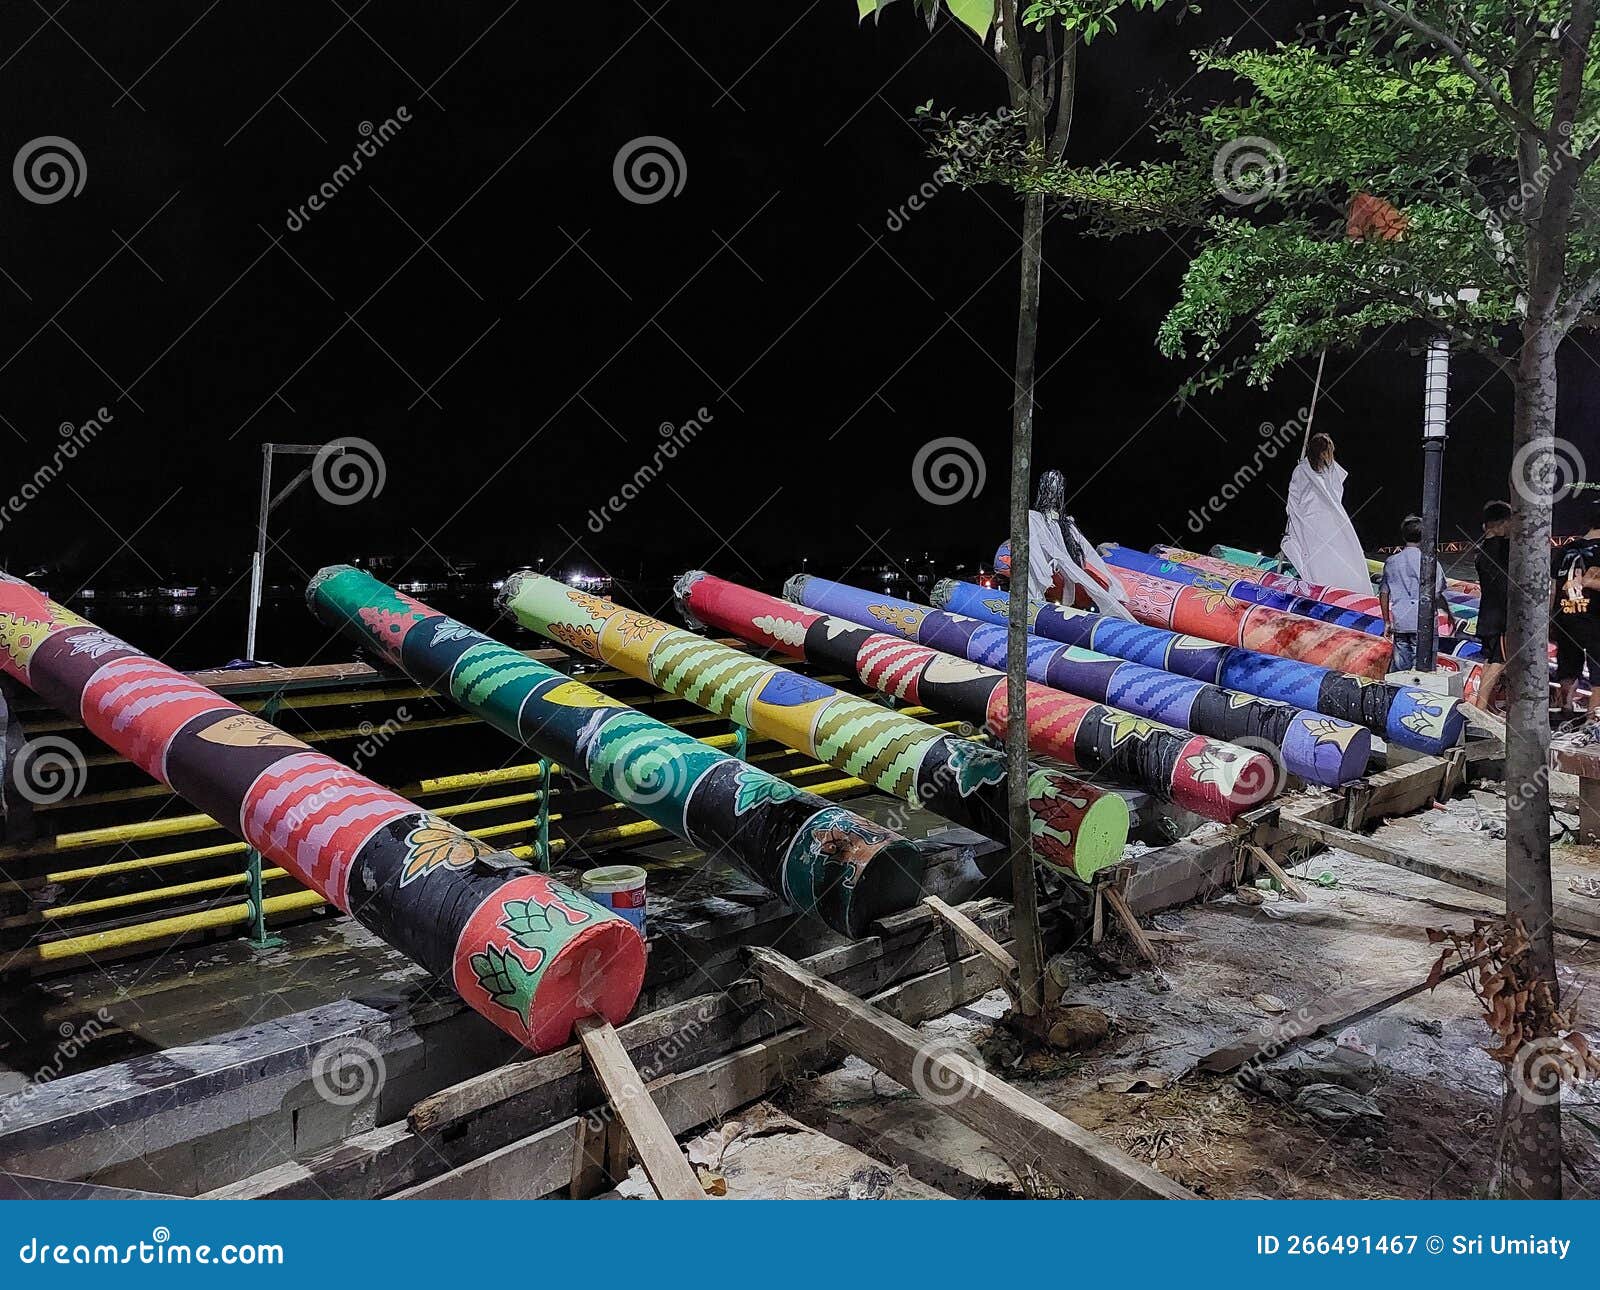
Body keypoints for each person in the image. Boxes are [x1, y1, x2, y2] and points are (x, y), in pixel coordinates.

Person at [1281, 432, 1372, 595]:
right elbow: (1336, 492)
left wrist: (1292, 520)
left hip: (1309, 520)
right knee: (1334, 554)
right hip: (1326, 519)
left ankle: (1320, 587)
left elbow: (1293, 499)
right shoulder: (1327, 471)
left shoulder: (1303, 470)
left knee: (1316, 557)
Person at [1550, 497, 1600, 734]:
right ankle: (1593, 720)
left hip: (1564, 614)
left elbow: (1553, 587)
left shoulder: (1566, 549)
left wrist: (1551, 617)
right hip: (1594, 617)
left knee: (1568, 667)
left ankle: (1566, 710)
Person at [1379, 514, 1446, 672]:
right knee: (1424, 670)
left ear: (1403, 535)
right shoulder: (1431, 562)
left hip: (1400, 622)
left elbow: (1383, 594)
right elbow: (1438, 592)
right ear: (1424, 537)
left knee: (1401, 670)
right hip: (1425, 624)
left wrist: (1387, 621)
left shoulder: (1391, 562)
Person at [1472, 500, 1511, 713]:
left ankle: (1487, 705)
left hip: (1486, 614)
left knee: (1490, 660)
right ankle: (1480, 708)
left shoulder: (1481, 552)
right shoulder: (1503, 549)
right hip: (1501, 616)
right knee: (1500, 662)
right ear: (1501, 523)